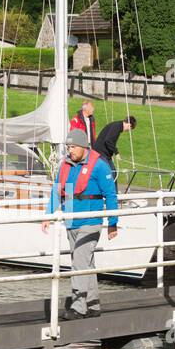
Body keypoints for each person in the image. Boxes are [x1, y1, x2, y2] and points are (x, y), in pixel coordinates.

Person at [41, 128, 117, 319]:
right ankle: (93, 304)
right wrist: (48, 215)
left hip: (91, 221)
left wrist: (113, 223)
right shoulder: (66, 165)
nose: (70, 150)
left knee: (79, 264)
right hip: (71, 220)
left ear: (83, 146)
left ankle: (78, 307)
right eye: (68, 147)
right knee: (85, 263)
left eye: (73, 146)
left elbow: (110, 195)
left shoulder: (99, 166)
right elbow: (57, 191)